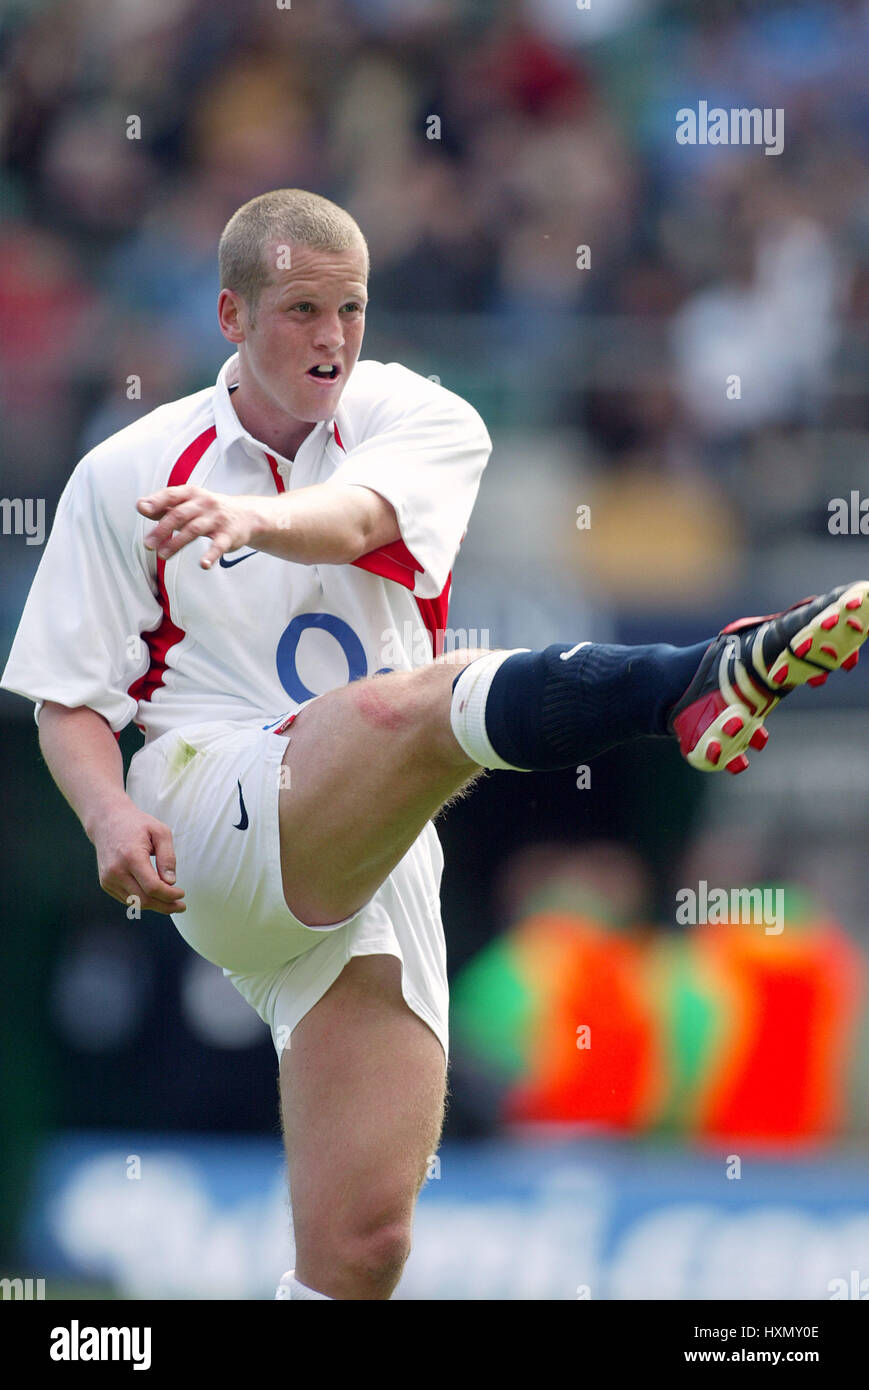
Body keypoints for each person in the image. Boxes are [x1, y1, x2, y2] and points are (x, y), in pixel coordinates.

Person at [2, 188, 866, 1301]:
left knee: (362, 1251)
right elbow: (65, 698)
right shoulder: (122, 472)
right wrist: (109, 813)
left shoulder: (425, 417)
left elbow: (358, 519)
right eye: (300, 309)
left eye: (350, 309)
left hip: (373, 846)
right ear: (229, 314)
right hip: (207, 794)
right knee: (412, 708)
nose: (330, 339)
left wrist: (256, 522)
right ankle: (696, 681)